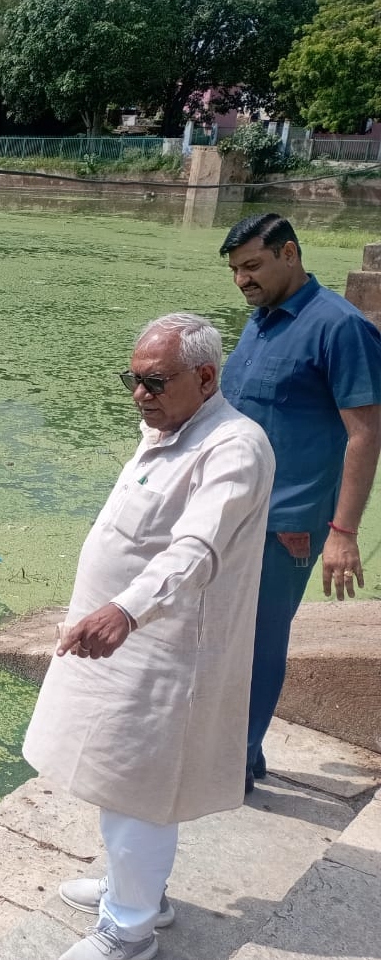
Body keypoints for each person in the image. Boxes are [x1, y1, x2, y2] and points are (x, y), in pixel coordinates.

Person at [24, 314, 275, 960]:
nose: (141, 395)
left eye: (155, 382)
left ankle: (129, 929)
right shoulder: (170, 426)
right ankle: (139, 891)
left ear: (206, 376)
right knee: (115, 777)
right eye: (132, 381)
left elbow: (196, 550)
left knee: (142, 791)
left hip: (167, 651)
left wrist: (128, 611)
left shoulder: (233, 447)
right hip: (120, 644)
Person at [218, 213, 381, 793]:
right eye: (236, 270)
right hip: (230, 513)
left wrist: (343, 531)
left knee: (258, 642)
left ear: (290, 253)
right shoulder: (260, 322)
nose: (243, 279)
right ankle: (234, 752)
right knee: (222, 637)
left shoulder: (339, 327)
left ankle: (235, 764)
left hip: (286, 521)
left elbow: (365, 433)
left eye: (253, 265)